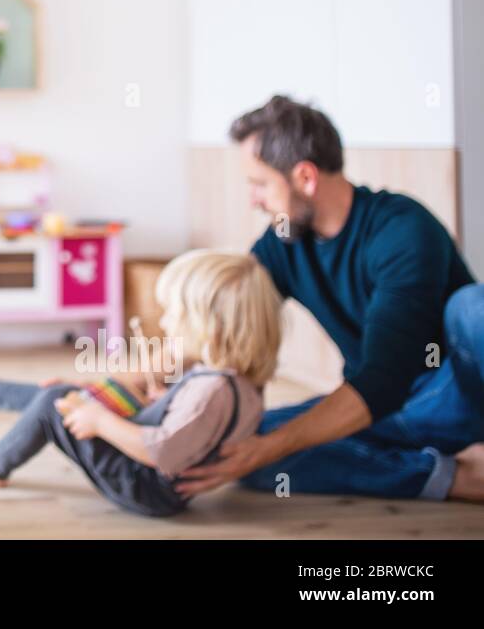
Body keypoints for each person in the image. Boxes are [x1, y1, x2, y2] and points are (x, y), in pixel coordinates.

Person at [177, 95, 484, 502]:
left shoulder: (403, 231)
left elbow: (382, 380)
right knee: (241, 446)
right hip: (381, 413)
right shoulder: (284, 238)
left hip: (447, 394)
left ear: (305, 177)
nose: (254, 199)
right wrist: (135, 387)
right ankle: (449, 478)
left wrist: (273, 448)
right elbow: (223, 318)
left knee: (473, 308)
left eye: (260, 184)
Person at [0, 251, 281, 516]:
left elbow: (162, 452)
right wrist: (155, 403)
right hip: (155, 475)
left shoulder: (212, 390)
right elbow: (193, 432)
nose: (167, 321)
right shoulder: (238, 383)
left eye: (175, 313)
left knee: (54, 403)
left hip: (144, 486)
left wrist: (99, 420)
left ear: (211, 328)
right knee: (66, 394)